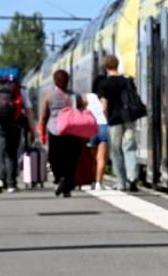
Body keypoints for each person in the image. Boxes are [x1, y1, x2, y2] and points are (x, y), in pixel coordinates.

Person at [93, 54, 140, 192]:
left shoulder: (104, 84)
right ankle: (132, 178)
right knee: (130, 148)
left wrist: (106, 119)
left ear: (105, 67)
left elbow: (104, 106)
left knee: (116, 151)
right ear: (117, 64)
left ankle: (121, 182)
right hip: (129, 118)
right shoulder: (127, 80)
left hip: (114, 120)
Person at [37, 69, 84, 198]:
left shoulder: (49, 96)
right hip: (73, 131)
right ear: (68, 81)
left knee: (55, 158)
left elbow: (44, 115)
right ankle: (67, 187)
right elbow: (81, 111)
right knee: (71, 160)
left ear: (54, 81)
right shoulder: (76, 96)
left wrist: (42, 132)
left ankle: (59, 179)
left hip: (55, 131)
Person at [0, 73, 31, 194]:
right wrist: (32, 128)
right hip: (15, 124)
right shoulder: (20, 90)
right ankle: (11, 183)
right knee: (11, 153)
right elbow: (28, 110)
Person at [84, 78, 110, 191]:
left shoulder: (87, 97)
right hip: (104, 126)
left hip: (91, 127)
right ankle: (99, 183)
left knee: (91, 159)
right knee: (101, 158)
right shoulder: (107, 97)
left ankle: (92, 181)